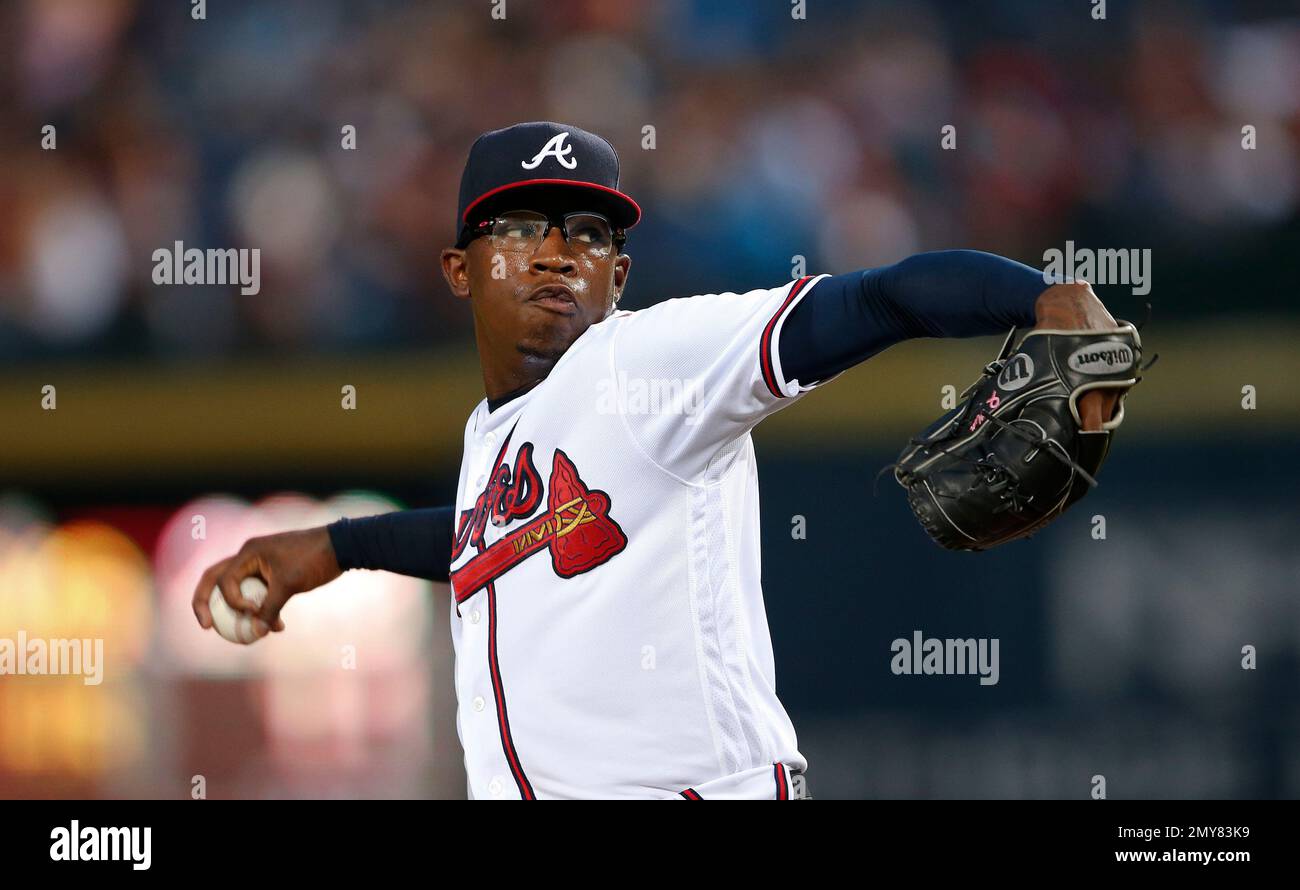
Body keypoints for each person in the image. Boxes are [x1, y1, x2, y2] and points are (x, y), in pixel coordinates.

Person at [193, 121, 1122, 799]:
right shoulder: (497, 433)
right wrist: (339, 546)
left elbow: (877, 300)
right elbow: (493, 541)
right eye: (520, 226)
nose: (558, 253)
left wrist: (1047, 298)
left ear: (619, 276)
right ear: (459, 268)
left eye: (589, 234)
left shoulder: (646, 360)